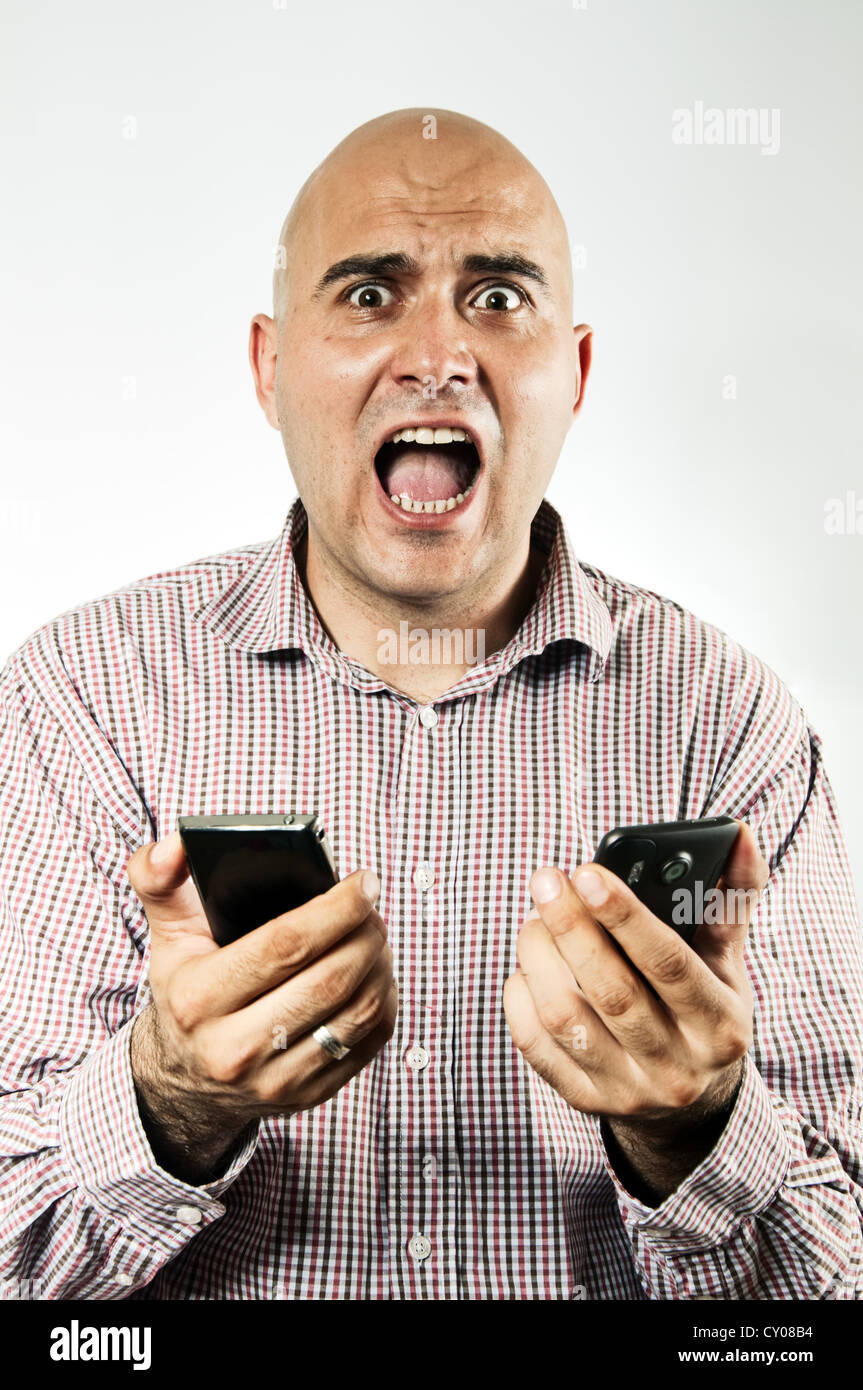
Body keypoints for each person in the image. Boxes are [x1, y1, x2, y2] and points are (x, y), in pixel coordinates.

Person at [0, 107, 861, 1302]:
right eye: (368, 293)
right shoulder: (83, 700)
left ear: (575, 371)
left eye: (498, 295)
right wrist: (168, 1100)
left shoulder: (726, 724)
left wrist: (697, 1134)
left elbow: (831, 1289)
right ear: (265, 364)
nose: (437, 355)